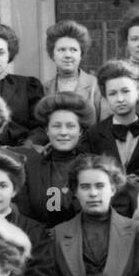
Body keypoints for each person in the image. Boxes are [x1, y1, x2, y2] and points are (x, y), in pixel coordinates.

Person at [49, 155, 139, 276]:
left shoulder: (138, 233)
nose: (93, 193)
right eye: (85, 187)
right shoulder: (57, 235)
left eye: (100, 186)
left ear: (113, 189)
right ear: (75, 191)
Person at [83, 59, 139, 214]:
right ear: (105, 97)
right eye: (112, 93)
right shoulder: (94, 135)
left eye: (126, 91)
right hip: (107, 212)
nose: (120, 99)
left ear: (138, 92)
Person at [16, 91, 98, 227]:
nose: (63, 132)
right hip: (42, 242)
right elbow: (25, 217)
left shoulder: (95, 166)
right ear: (47, 130)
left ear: (80, 131)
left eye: (70, 126)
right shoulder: (29, 169)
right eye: (56, 126)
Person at [43, 19, 101, 116]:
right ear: (52, 54)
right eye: (61, 50)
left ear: (81, 54)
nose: (68, 55)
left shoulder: (95, 85)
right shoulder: (46, 88)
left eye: (73, 50)